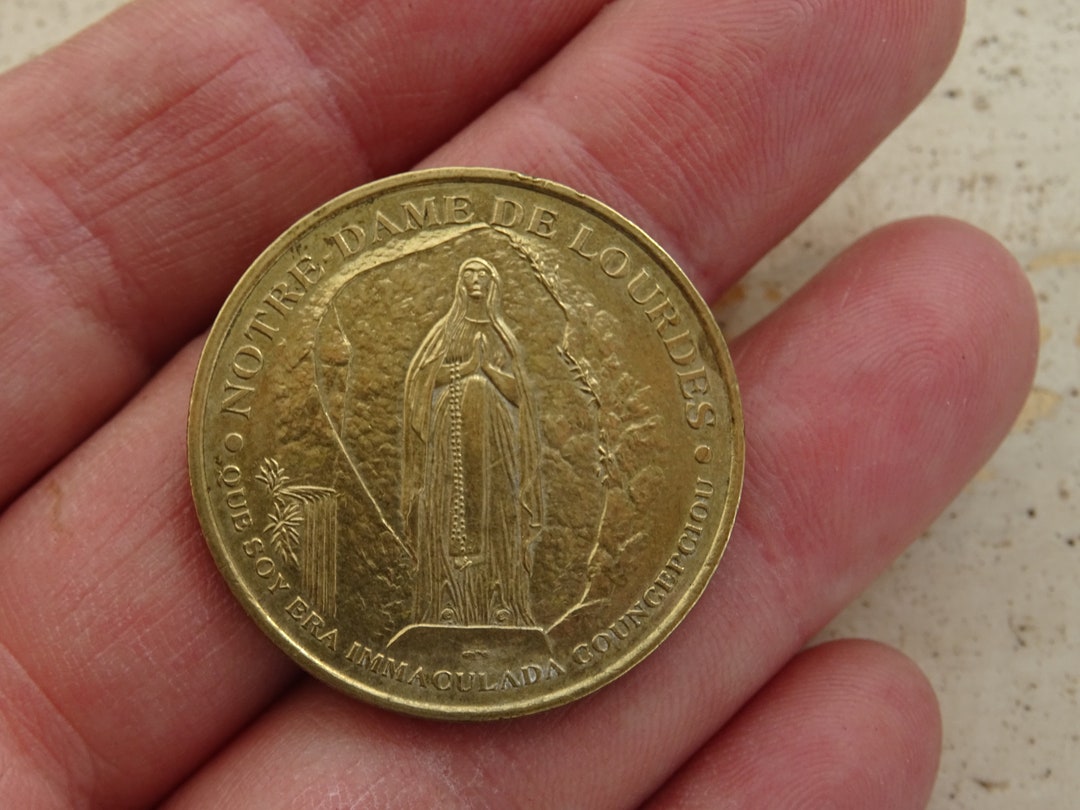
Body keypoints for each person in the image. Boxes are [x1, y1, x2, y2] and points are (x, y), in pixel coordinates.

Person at [0, 0, 1037, 807]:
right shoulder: (450, 343)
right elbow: (415, 396)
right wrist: (456, 380)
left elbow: (522, 400)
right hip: (450, 450)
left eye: (492, 295)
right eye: (477, 293)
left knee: (494, 527)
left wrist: (494, 379)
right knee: (454, 523)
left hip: (497, 451)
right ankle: (453, 604)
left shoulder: (495, 340)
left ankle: (499, 602)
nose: (484, 300)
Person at [402, 257, 542, 628]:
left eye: (482, 274)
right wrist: (464, 370)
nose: (475, 280)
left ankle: (502, 608)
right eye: (469, 274)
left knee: (497, 510)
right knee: (449, 513)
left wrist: (489, 370)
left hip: (495, 437)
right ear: (460, 283)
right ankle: (445, 608)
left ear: (492, 284)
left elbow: (519, 396)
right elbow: (420, 382)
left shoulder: (502, 335)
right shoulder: (445, 331)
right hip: (449, 436)